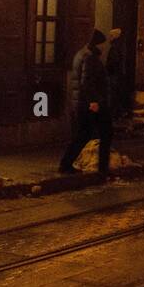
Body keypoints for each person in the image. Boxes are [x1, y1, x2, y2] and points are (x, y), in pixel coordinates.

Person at [58, 29, 113, 176]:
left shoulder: (82, 55)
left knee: (83, 135)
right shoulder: (90, 58)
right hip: (93, 104)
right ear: (98, 44)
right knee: (105, 133)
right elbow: (86, 82)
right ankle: (102, 169)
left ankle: (66, 164)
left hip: (84, 103)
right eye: (103, 44)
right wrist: (94, 101)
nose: (104, 47)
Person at [105, 27, 127, 118]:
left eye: (111, 35)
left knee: (114, 94)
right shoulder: (120, 46)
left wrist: (108, 69)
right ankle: (119, 112)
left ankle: (114, 114)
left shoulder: (114, 47)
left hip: (114, 74)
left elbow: (113, 61)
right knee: (117, 94)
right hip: (118, 74)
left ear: (115, 36)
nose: (109, 37)